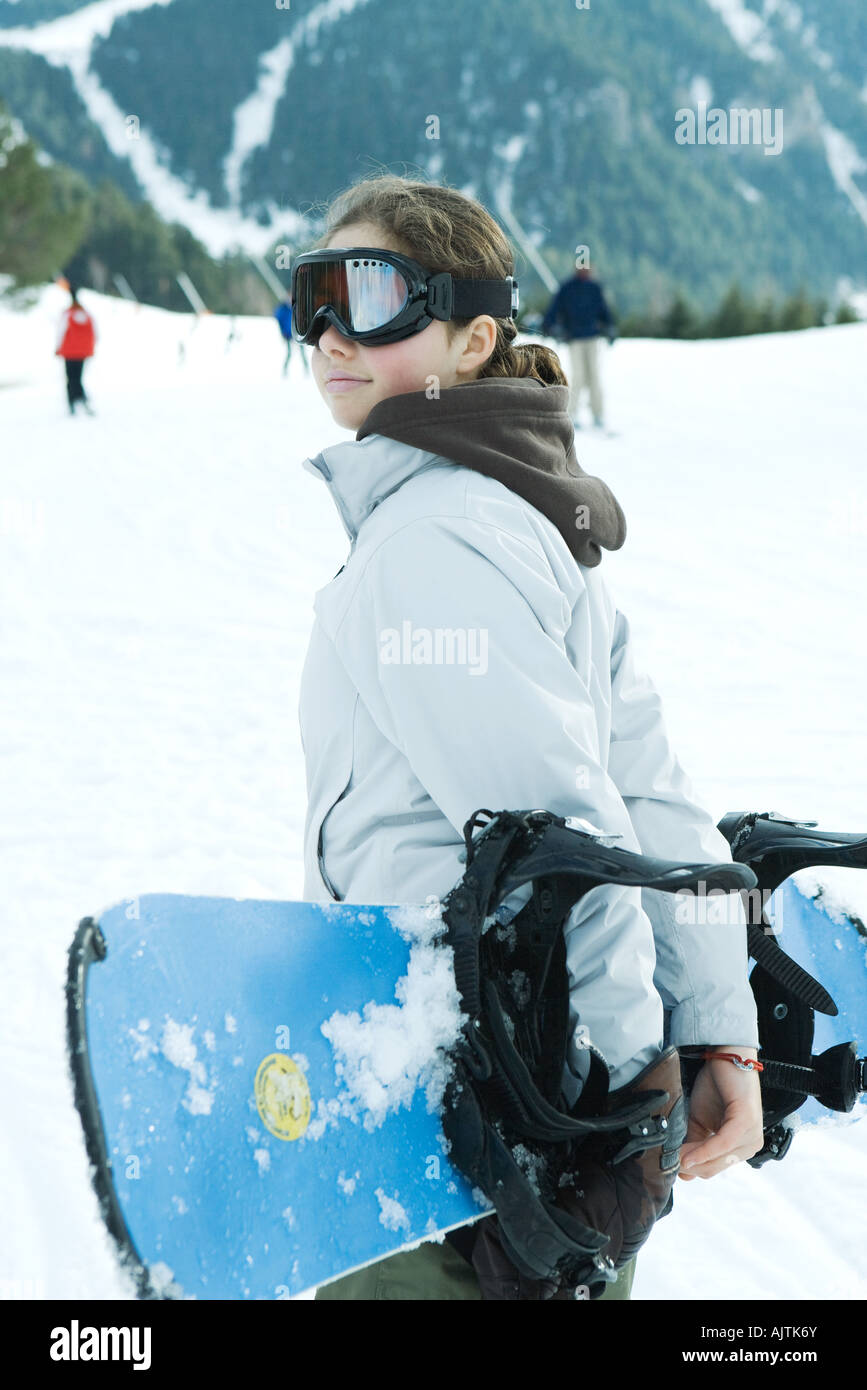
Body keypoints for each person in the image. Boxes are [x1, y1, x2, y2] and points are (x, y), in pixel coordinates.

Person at [293, 175, 763, 1301]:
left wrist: (604, 1122)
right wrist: (712, 1031)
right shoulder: (516, 513)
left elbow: (567, 848)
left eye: (371, 292)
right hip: (524, 1130)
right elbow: (654, 800)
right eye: (311, 296)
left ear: (474, 335)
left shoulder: (430, 540)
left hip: (463, 1140)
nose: (328, 333)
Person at [541, 264, 615, 429]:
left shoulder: (594, 287)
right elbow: (555, 308)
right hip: (574, 338)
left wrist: (609, 327)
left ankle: (598, 414)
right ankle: (572, 413)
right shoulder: (568, 288)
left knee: (594, 376)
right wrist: (548, 325)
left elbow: (603, 310)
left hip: (592, 337)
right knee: (578, 376)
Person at [56, 285, 96, 415]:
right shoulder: (88, 315)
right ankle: (82, 398)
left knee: (70, 377)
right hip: (83, 351)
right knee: (78, 376)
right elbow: (96, 334)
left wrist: (57, 347)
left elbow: (60, 332)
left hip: (69, 351)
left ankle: (73, 401)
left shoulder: (67, 314)